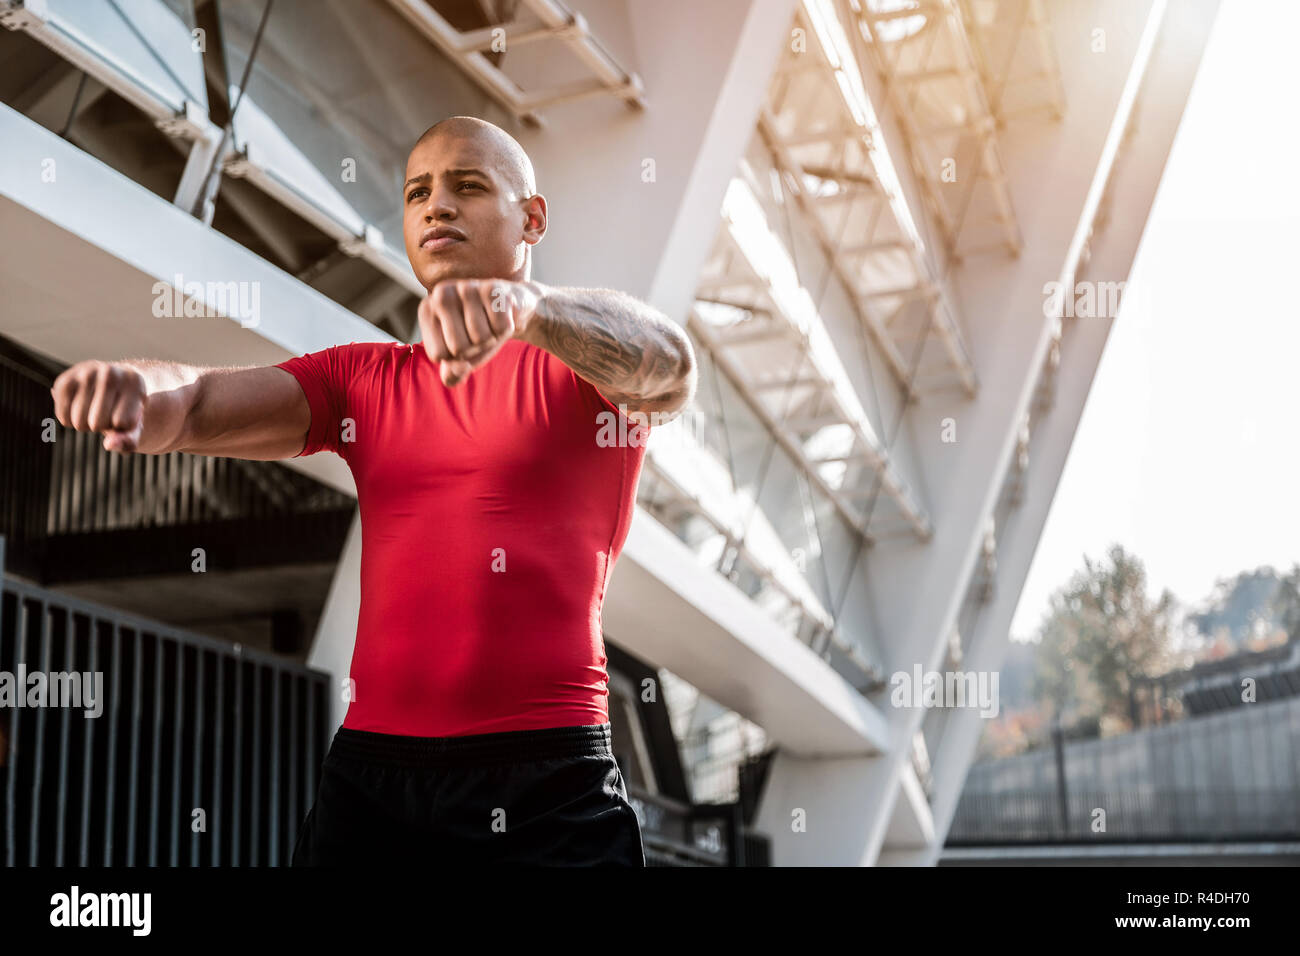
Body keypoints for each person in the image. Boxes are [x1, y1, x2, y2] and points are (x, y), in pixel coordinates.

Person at [50, 115, 696, 866]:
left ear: (533, 218)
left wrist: (527, 311)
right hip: (372, 783)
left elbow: (669, 367)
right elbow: (193, 401)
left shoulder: (583, 370)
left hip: (545, 785)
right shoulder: (364, 379)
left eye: (469, 185)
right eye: (418, 191)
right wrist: (136, 390)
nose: (437, 206)